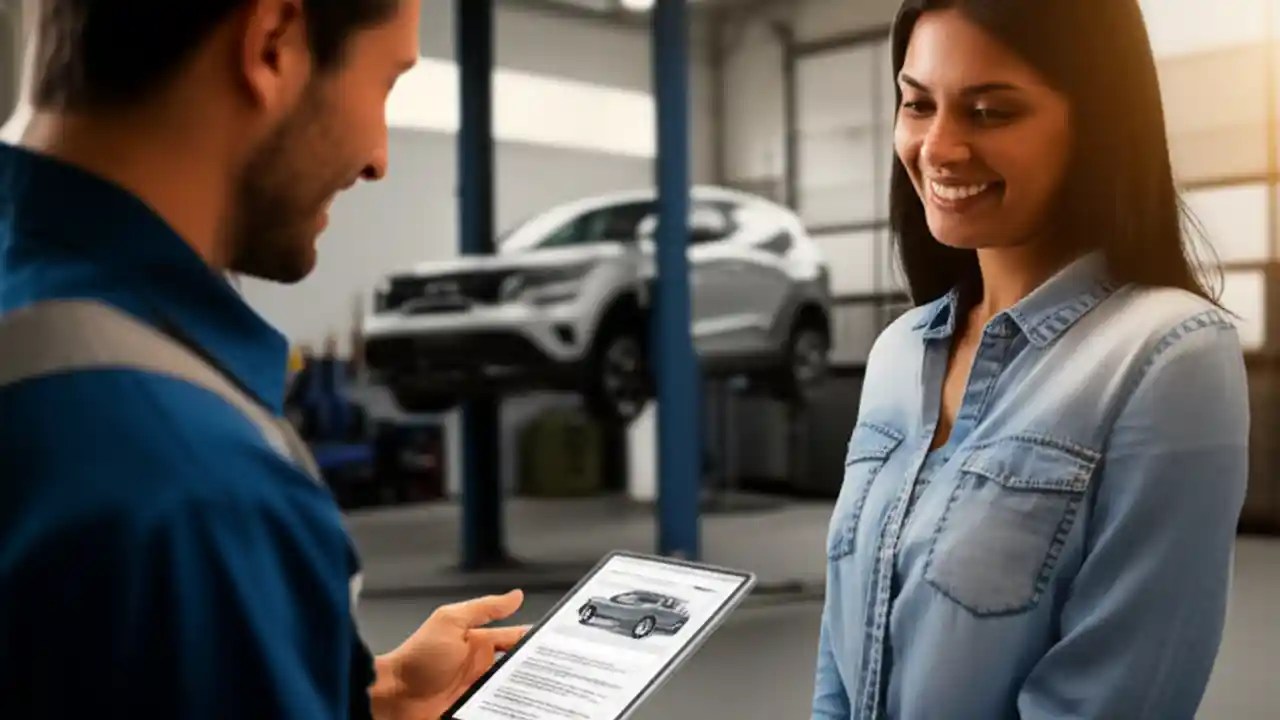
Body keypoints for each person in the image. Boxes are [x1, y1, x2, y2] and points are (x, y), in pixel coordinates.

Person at [0, 1, 527, 718]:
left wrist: (377, 696)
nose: (378, 156)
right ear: (273, 41)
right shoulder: (194, 495)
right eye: (386, 82)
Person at [812, 1, 1250, 718]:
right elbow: (841, 652)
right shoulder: (898, 353)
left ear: (1097, 124)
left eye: (989, 112)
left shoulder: (1167, 357)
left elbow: (1113, 695)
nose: (938, 147)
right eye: (917, 104)